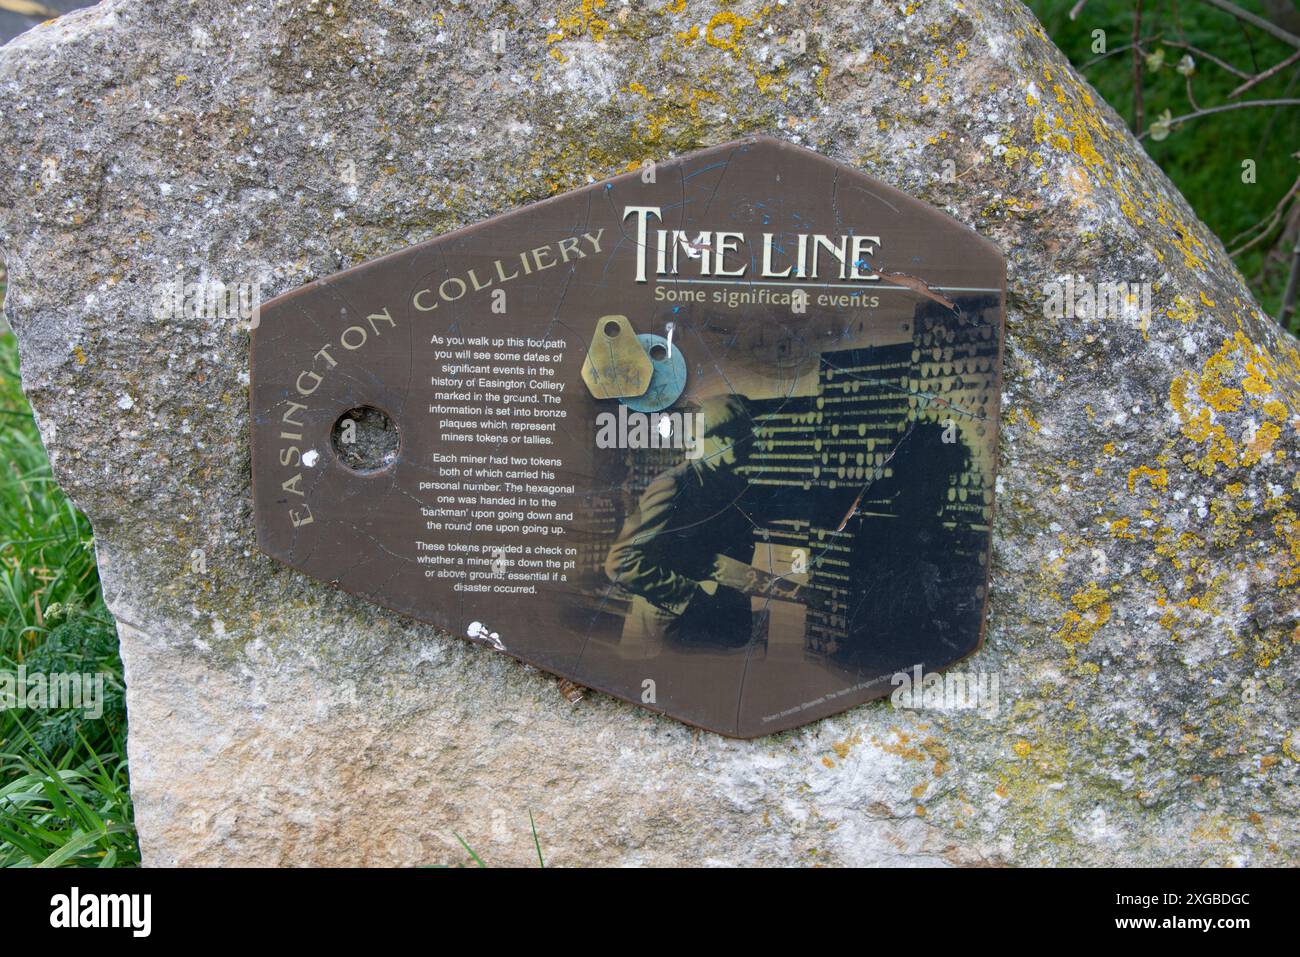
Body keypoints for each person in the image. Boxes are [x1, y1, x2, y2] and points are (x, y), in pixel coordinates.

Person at [604, 394, 763, 658]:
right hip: (666, 632)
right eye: (735, 436)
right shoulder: (673, 485)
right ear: (709, 440)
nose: (746, 445)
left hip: (711, 626)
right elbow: (621, 562)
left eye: (746, 436)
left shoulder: (731, 485)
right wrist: (692, 594)